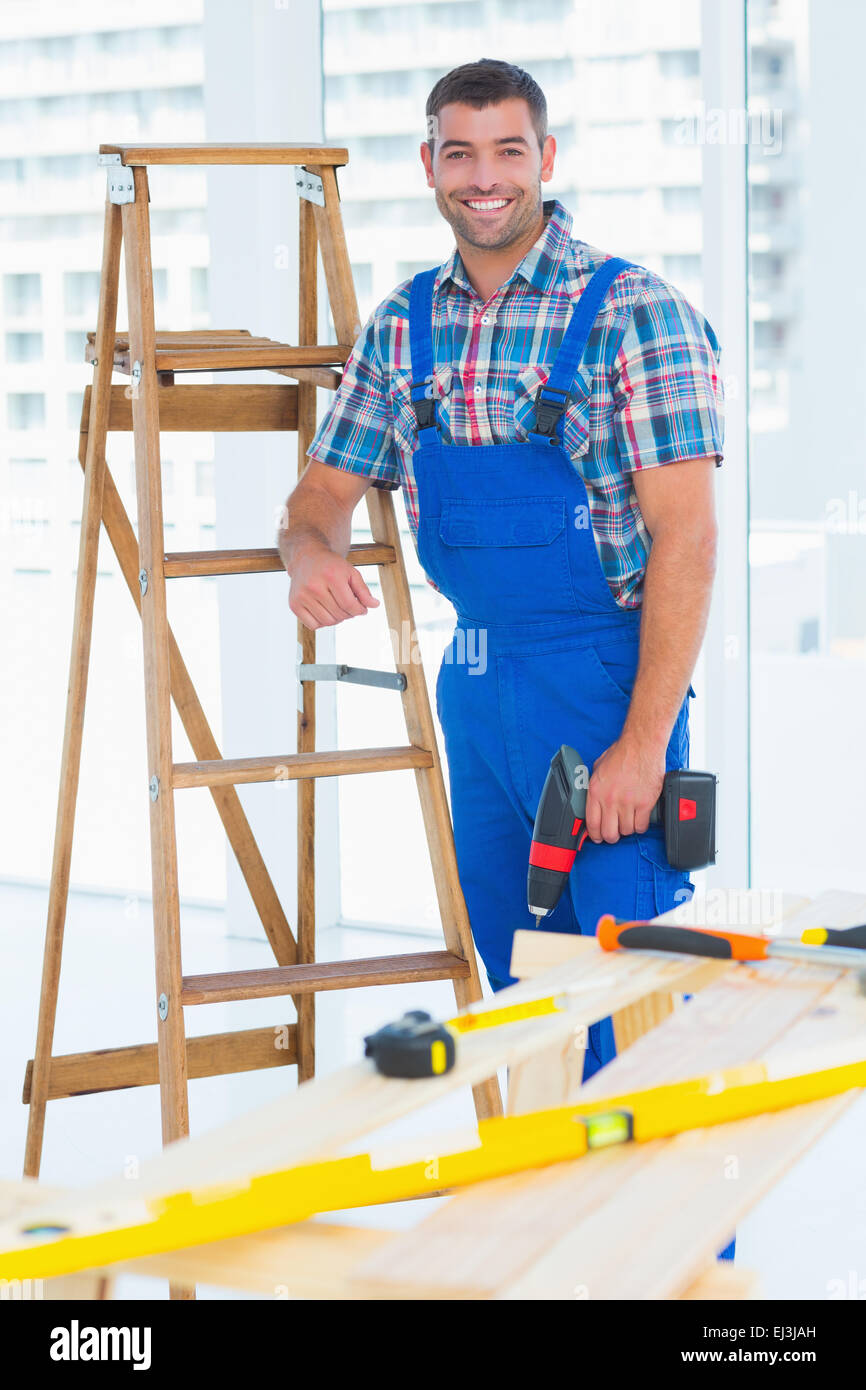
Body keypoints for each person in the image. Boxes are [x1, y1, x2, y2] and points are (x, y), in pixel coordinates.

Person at [278, 62, 728, 1256]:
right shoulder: (404, 325)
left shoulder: (633, 312)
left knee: (627, 984)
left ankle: (685, 1275)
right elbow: (319, 492)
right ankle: (563, 1252)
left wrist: (642, 739)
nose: (485, 180)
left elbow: (685, 537)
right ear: (429, 165)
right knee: (519, 977)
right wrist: (305, 552)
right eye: (461, 154)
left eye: (508, 152)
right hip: (474, 685)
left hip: (602, 681)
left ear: (545, 160)